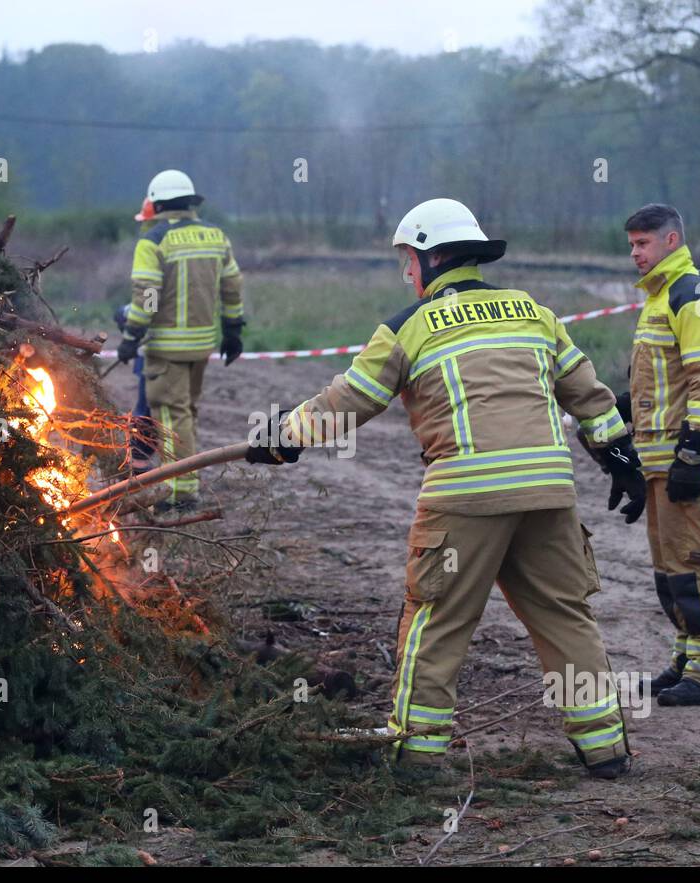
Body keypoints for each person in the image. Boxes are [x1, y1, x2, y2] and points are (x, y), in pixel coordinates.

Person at [245, 198, 646, 778]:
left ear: (430, 259)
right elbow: (588, 395)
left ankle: (418, 756)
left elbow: (351, 400)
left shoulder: (408, 327)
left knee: (437, 622)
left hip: (466, 498)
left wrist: (284, 433)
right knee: (566, 617)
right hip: (547, 493)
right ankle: (606, 750)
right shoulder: (534, 312)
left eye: (407, 261)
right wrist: (619, 459)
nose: (406, 274)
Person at [623, 203, 700, 706]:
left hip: (690, 464)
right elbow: (661, 383)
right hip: (659, 465)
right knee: (670, 573)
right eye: (631, 245)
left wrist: (694, 454)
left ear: (671, 241)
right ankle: (688, 660)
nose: (634, 254)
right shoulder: (659, 298)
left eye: (642, 243)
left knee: (697, 566)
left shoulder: (693, 295)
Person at [116, 169, 244, 510]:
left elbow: (146, 296)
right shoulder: (216, 236)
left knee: (170, 419)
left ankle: (180, 493)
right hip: (202, 345)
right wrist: (233, 329)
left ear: (156, 204)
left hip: (166, 349)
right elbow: (232, 286)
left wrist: (130, 336)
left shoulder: (154, 240)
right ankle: (183, 484)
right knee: (187, 413)